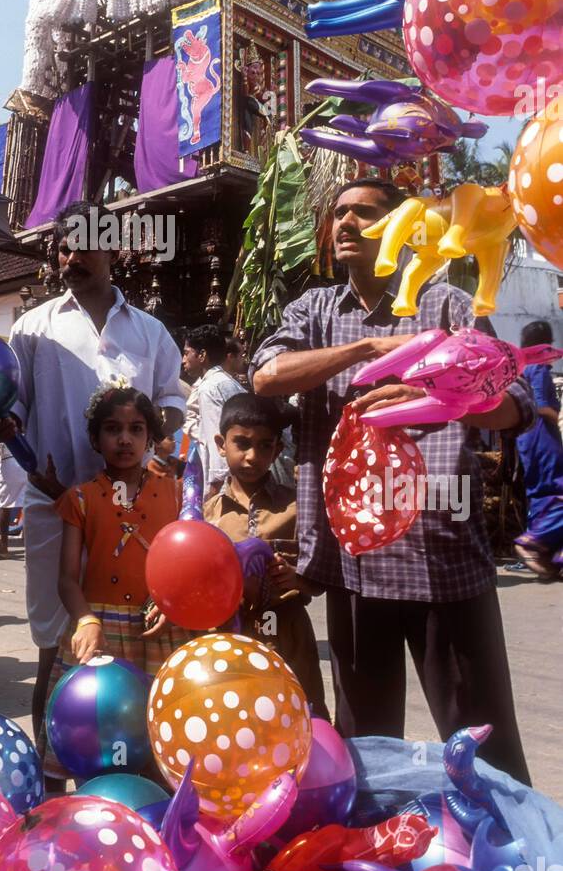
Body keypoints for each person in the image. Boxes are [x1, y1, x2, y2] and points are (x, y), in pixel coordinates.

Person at [251, 177, 534, 784]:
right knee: (367, 748)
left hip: (443, 557)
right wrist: (368, 350)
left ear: (406, 230)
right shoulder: (314, 312)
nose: (348, 223)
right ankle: (373, 864)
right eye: (340, 215)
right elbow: (266, 376)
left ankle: (514, 867)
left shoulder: (448, 307)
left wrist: (442, 393)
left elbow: (515, 403)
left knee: (486, 744)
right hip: (353, 566)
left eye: (368, 214)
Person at [0, 200, 185, 738]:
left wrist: (140, 426)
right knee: (54, 642)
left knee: (134, 640)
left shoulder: (149, 332)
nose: (72, 254)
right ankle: (50, 783)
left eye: (86, 241)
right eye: (65, 243)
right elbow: (13, 411)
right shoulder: (31, 329)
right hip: (53, 504)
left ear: (115, 246)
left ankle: (130, 766)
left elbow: (172, 402)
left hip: (133, 513)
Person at [44, 383, 191, 778]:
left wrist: (170, 598)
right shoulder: (80, 499)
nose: (125, 439)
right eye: (112, 429)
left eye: (137, 429)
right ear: (95, 438)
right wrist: (86, 620)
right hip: (100, 631)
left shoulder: (177, 493)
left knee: (161, 734)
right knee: (98, 732)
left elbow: (188, 561)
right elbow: (66, 580)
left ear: (151, 437)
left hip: (158, 628)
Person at [204, 391, 328, 719]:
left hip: (288, 632)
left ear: (278, 449)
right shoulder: (207, 512)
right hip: (226, 635)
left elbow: (324, 575)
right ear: (221, 443)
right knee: (230, 718)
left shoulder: (298, 506)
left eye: (264, 446)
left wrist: (300, 578)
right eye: (241, 443)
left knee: (298, 716)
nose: (251, 456)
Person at [514, 320, 563, 581]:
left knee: (542, 493)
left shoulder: (519, 369)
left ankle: (554, 556)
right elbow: (545, 409)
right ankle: (534, 540)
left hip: (526, 438)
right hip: (543, 436)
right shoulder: (539, 370)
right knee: (558, 489)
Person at [181, 324, 245, 492]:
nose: (183, 360)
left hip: (225, 484)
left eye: (187, 353)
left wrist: (216, 489)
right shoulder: (226, 382)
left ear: (202, 355)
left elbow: (218, 442)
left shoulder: (209, 388)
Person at [0, 425, 26, 558]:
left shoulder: (1, 419)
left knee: (4, 505)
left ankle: (3, 546)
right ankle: (27, 540)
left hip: (9, 463)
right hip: (26, 463)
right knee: (28, 501)